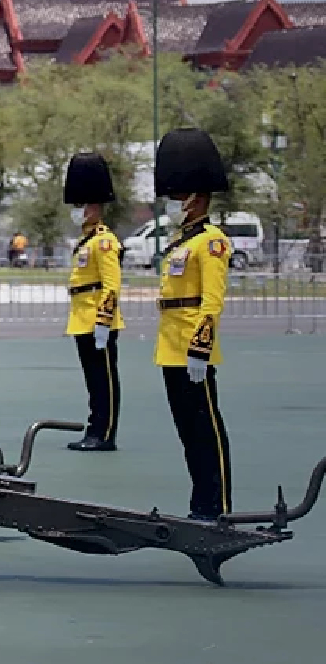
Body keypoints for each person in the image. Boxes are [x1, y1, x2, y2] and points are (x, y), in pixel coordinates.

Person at [153, 129, 234, 521]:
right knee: (188, 433)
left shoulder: (211, 242)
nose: (171, 202)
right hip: (170, 346)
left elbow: (211, 300)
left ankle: (216, 506)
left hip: (192, 347)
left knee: (206, 431)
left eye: (176, 195)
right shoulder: (182, 241)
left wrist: (200, 347)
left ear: (196, 197)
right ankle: (199, 503)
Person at [62, 152, 124, 453]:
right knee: (93, 381)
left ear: (95, 205)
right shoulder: (86, 241)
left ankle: (105, 431)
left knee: (104, 382)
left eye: (81, 204)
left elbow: (111, 285)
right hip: (82, 319)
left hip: (98, 320)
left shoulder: (104, 241)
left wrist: (103, 320)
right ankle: (94, 427)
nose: (78, 210)